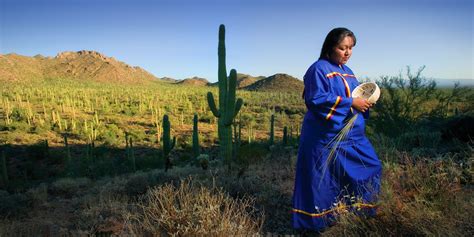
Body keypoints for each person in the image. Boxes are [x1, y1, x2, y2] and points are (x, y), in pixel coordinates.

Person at [292, 27, 382, 231]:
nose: (347, 52)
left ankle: (359, 213)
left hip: (352, 137)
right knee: (322, 180)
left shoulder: (348, 72)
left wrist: (365, 102)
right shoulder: (318, 69)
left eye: (350, 48)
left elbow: (356, 98)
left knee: (371, 166)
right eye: (342, 48)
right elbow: (315, 99)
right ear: (330, 47)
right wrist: (351, 102)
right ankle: (316, 223)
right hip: (324, 138)